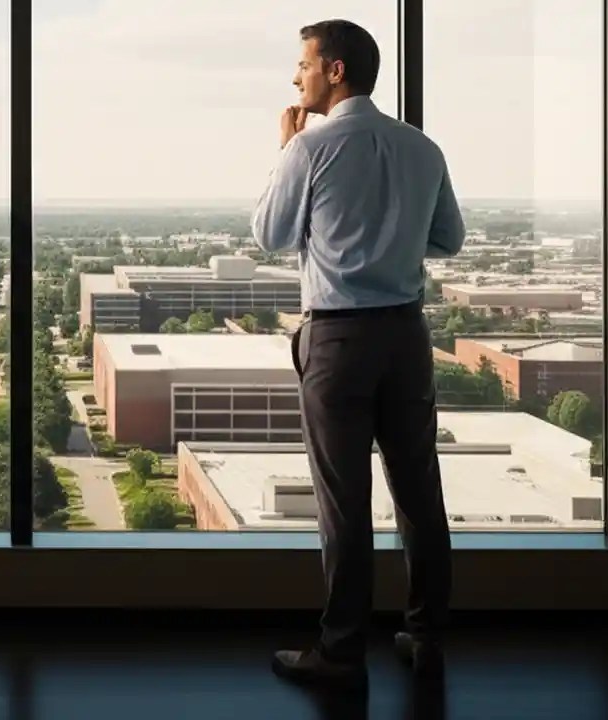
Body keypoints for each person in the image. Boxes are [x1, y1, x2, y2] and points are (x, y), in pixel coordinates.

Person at [251, 19, 465, 688]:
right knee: (419, 494)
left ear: (336, 70)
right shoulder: (422, 149)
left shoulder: (310, 149)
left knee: (345, 503)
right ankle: (427, 639)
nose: (296, 76)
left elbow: (269, 234)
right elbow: (449, 239)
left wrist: (286, 150)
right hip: (406, 336)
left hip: (339, 338)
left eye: (304, 64)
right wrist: (389, 238)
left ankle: (342, 652)